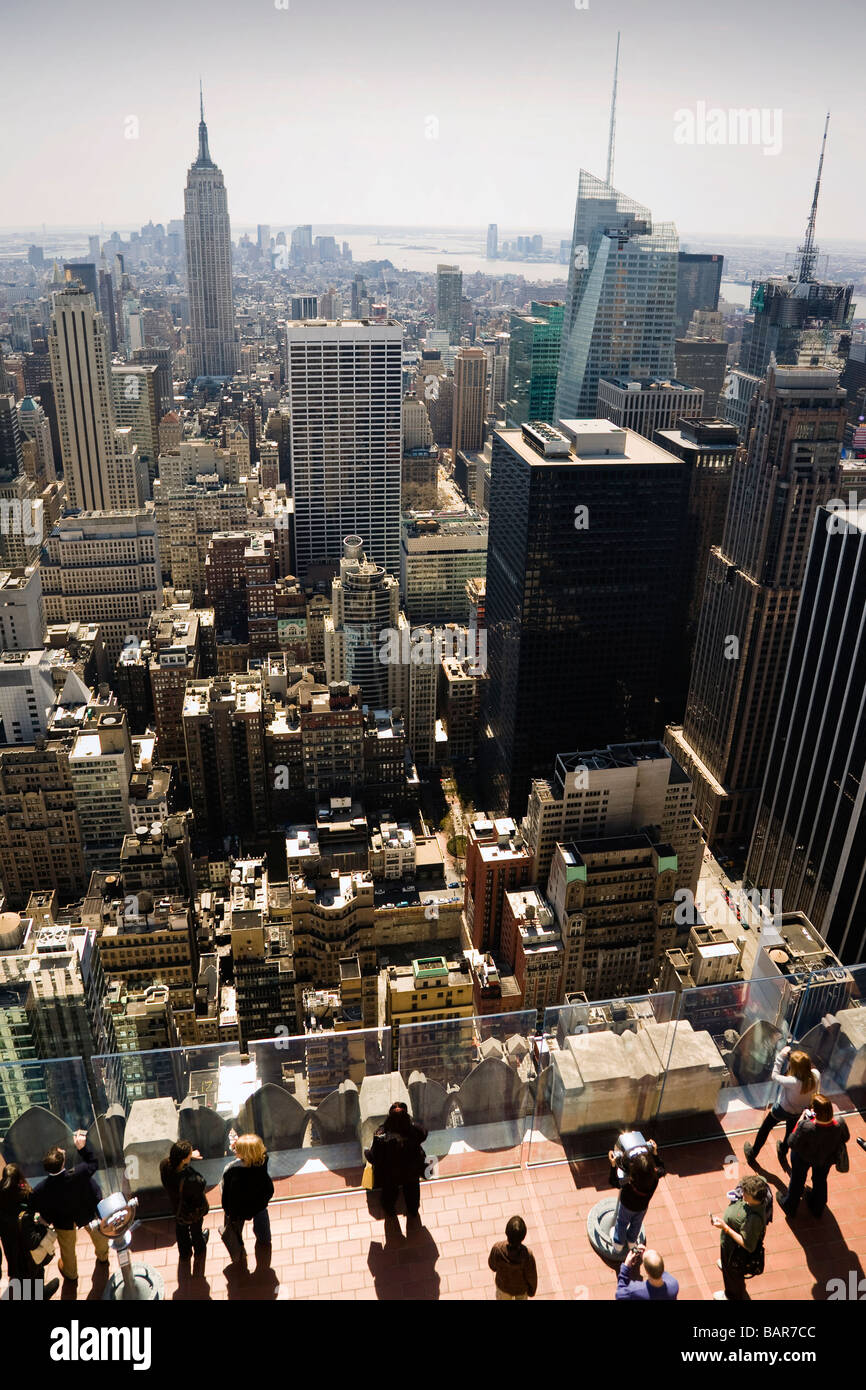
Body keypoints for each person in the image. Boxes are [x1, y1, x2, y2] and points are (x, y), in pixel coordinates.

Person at [30, 1130, 110, 1283]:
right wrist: (82, 1148)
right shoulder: (79, 1173)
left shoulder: (41, 1188)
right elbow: (93, 1163)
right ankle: (103, 1257)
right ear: (62, 1163)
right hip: (86, 1213)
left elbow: (35, 1204)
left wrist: (44, 1217)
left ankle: (71, 1273)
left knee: (67, 1249)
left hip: (63, 1221)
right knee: (99, 1237)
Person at [745, 1045, 820, 1168]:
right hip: (798, 1111)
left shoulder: (792, 1081)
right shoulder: (816, 1075)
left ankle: (753, 1154)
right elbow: (811, 1069)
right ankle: (783, 1151)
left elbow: (774, 1076)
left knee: (765, 1128)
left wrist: (781, 1056)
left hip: (782, 1109)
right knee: (790, 1131)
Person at [780, 1094, 850, 1219]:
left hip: (803, 1157)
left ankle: (790, 1206)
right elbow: (846, 1137)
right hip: (826, 1159)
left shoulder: (806, 1126)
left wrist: (801, 1120)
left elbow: (792, 1142)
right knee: (820, 1180)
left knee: (797, 1180)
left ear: (815, 1111)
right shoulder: (839, 1122)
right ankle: (817, 1208)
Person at [0, 1165, 60, 1300]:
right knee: (33, 1275)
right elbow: (32, 1242)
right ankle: (39, 1295)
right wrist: (42, 1228)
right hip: (26, 1257)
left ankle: (28, 1293)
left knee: (19, 1276)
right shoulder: (24, 1214)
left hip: (11, 1250)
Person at [364, 1102, 428, 1221]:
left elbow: (374, 1157)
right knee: (412, 1192)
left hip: (390, 1174)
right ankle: (413, 1210)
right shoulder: (414, 1131)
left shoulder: (381, 1135)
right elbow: (424, 1133)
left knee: (389, 1193)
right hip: (411, 1171)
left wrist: (366, 1152)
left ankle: (390, 1210)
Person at [712, 1172, 768, 1301]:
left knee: (733, 1277)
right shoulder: (759, 1185)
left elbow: (748, 1245)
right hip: (729, 1245)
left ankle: (732, 1295)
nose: (743, 1194)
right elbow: (759, 1180)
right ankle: (726, 1266)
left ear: (755, 1198)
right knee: (728, 1266)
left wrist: (725, 1228)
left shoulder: (754, 1220)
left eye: (746, 1194)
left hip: (735, 1251)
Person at [220, 1132, 274, 1260]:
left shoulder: (232, 1170)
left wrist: (227, 1209)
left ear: (241, 1153)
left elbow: (225, 1189)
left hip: (239, 1206)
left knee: (235, 1228)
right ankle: (264, 1239)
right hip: (259, 1201)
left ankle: (238, 1249)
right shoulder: (262, 1160)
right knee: (262, 1221)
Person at [608, 1139, 665, 1249]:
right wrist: (655, 1153)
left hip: (626, 1206)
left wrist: (613, 1165)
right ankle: (632, 1241)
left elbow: (614, 1182)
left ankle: (618, 1243)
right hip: (642, 1207)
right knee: (637, 1223)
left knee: (622, 1222)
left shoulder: (629, 1181)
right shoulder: (655, 1176)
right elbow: (662, 1168)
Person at [159, 1140, 210, 1259]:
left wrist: (188, 1157)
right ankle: (199, 1248)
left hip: (177, 1206)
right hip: (192, 1209)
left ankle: (185, 1252)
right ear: (183, 1159)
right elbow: (201, 1184)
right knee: (196, 1229)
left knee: (181, 1230)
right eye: (189, 1154)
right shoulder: (190, 1177)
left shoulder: (164, 1165)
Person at [488, 1216, 538, 1300]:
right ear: (523, 1236)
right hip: (521, 1289)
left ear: (506, 1232)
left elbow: (492, 1266)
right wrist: (532, 1291)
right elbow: (531, 1276)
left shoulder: (497, 1249)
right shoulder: (527, 1255)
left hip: (503, 1287)